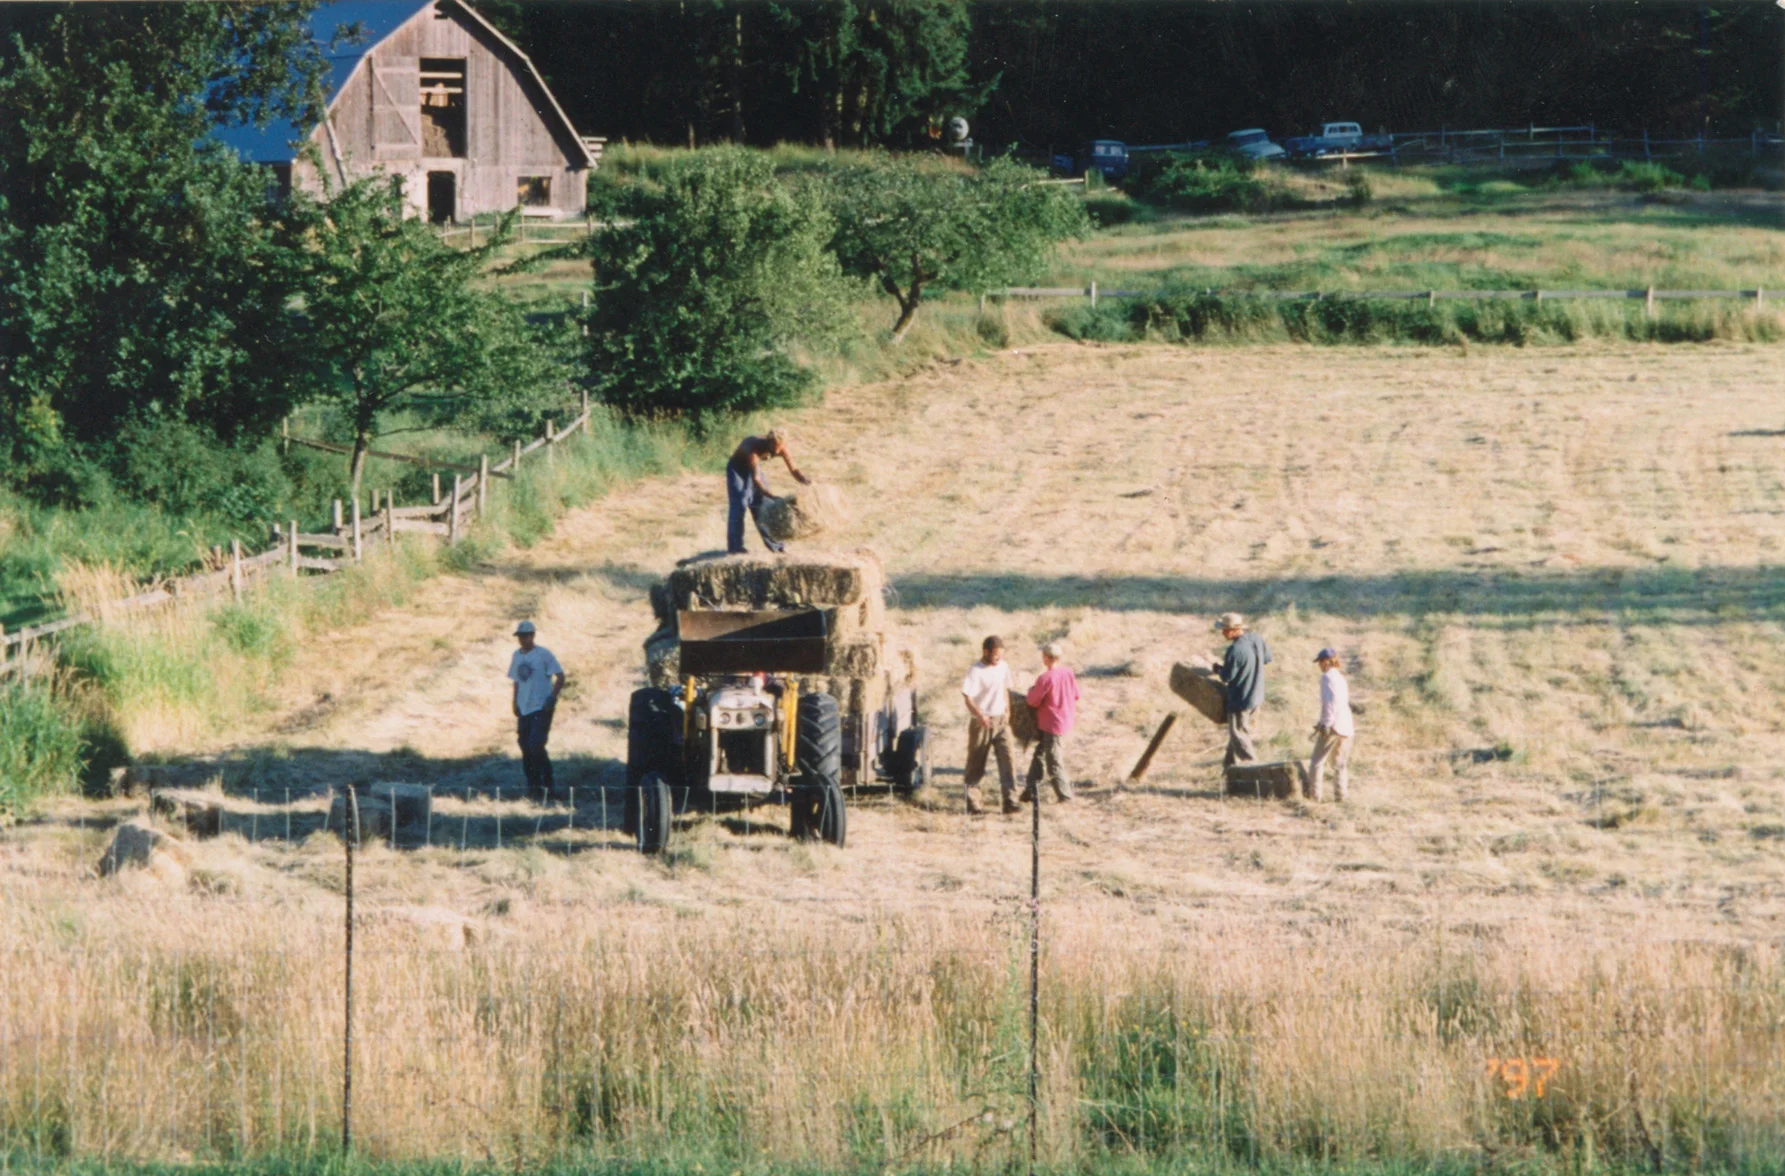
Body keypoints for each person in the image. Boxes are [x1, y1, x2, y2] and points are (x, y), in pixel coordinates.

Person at [726, 428, 810, 555]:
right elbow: (756, 480)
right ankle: (735, 548)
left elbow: (794, 470)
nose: (776, 451)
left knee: (763, 506)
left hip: (754, 468)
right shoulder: (753, 449)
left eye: (779, 448)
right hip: (737, 469)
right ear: (769, 442)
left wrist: (806, 482)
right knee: (740, 503)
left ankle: (776, 546)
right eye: (774, 447)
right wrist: (773, 496)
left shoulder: (782, 447)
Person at [507, 621, 565, 801]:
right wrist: (514, 702)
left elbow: (560, 676)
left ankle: (549, 787)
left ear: (532, 635)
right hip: (524, 707)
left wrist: (552, 698)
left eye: (525, 636)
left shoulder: (544, 654)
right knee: (524, 745)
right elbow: (516, 680)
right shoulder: (516, 655)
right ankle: (533, 787)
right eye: (520, 637)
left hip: (541, 707)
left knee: (536, 745)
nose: (522, 639)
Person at [961, 636, 1018, 816]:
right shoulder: (975, 671)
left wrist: (1008, 710)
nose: (998, 658)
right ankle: (973, 803)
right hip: (982, 723)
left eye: (1001, 654)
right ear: (986, 652)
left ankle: (1010, 801)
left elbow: (1005, 688)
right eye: (995, 655)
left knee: (1008, 760)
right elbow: (967, 697)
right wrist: (980, 715)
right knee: (976, 763)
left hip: (1001, 721)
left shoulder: (1003, 666)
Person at [1021, 641, 1079, 804]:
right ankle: (1030, 791)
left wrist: (1031, 691)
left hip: (1052, 725)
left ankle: (1065, 796)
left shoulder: (1045, 678)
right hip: (1065, 720)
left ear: (1045, 657)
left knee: (1053, 761)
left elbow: (1032, 701)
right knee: (1040, 754)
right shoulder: (1068, 673)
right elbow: (1076, 695)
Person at [1216, 612, 1272, 767]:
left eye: (1225, 629)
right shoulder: (1256, 639)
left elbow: (1226, 677)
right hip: (1257, 696)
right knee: (1238, 735)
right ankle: (1229, 769)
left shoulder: (1235, 650)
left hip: (1240, 700)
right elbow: (1267, 658)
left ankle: (1253, 769)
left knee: (1239, 735)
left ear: (1234, 630)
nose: (1222, 633)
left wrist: (1218, 669)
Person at [1306, 647, 1354, 801]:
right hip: (1346, 725)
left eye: (1320, 662)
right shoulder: (1340, 677)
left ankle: (1315, 797)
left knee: (1316, 762)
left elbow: (1330, 703)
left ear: (1326, 662)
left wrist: (1325, 723)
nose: (1319, 665)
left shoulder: (1327, 678)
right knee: (1339, 764)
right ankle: (1341, 796)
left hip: (1333, 725)